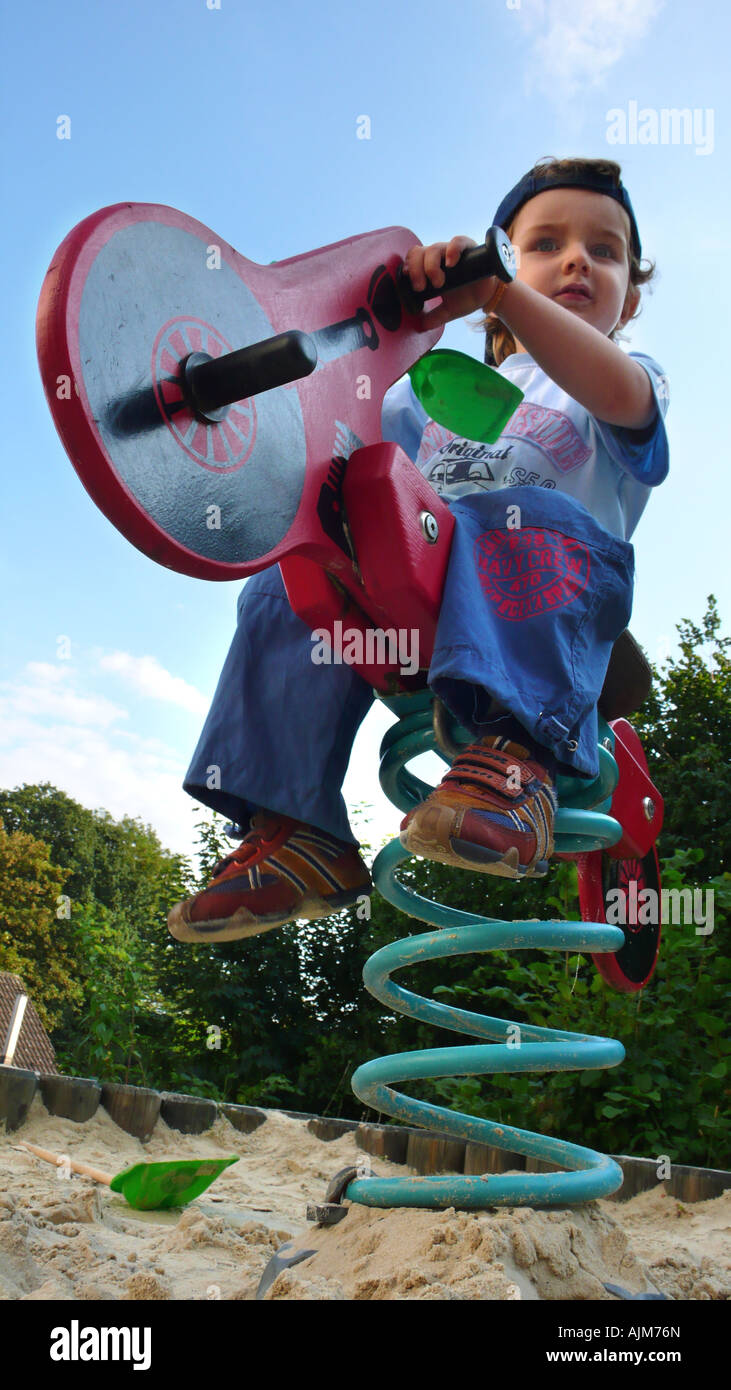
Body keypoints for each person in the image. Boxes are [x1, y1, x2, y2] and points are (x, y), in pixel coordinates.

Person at [167, 156, 669, 944]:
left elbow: (622, 402)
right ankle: (299, 827)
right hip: (424, 597)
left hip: (540, 609)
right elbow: (349, 461)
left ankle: (518, 764)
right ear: (498, 259)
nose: (577, 259)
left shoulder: (618, 377)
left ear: (629, 297)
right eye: (543, 243)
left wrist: (502, 288)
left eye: (604, 252)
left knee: (517, 518)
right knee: (294, 567)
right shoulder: (426, 389)